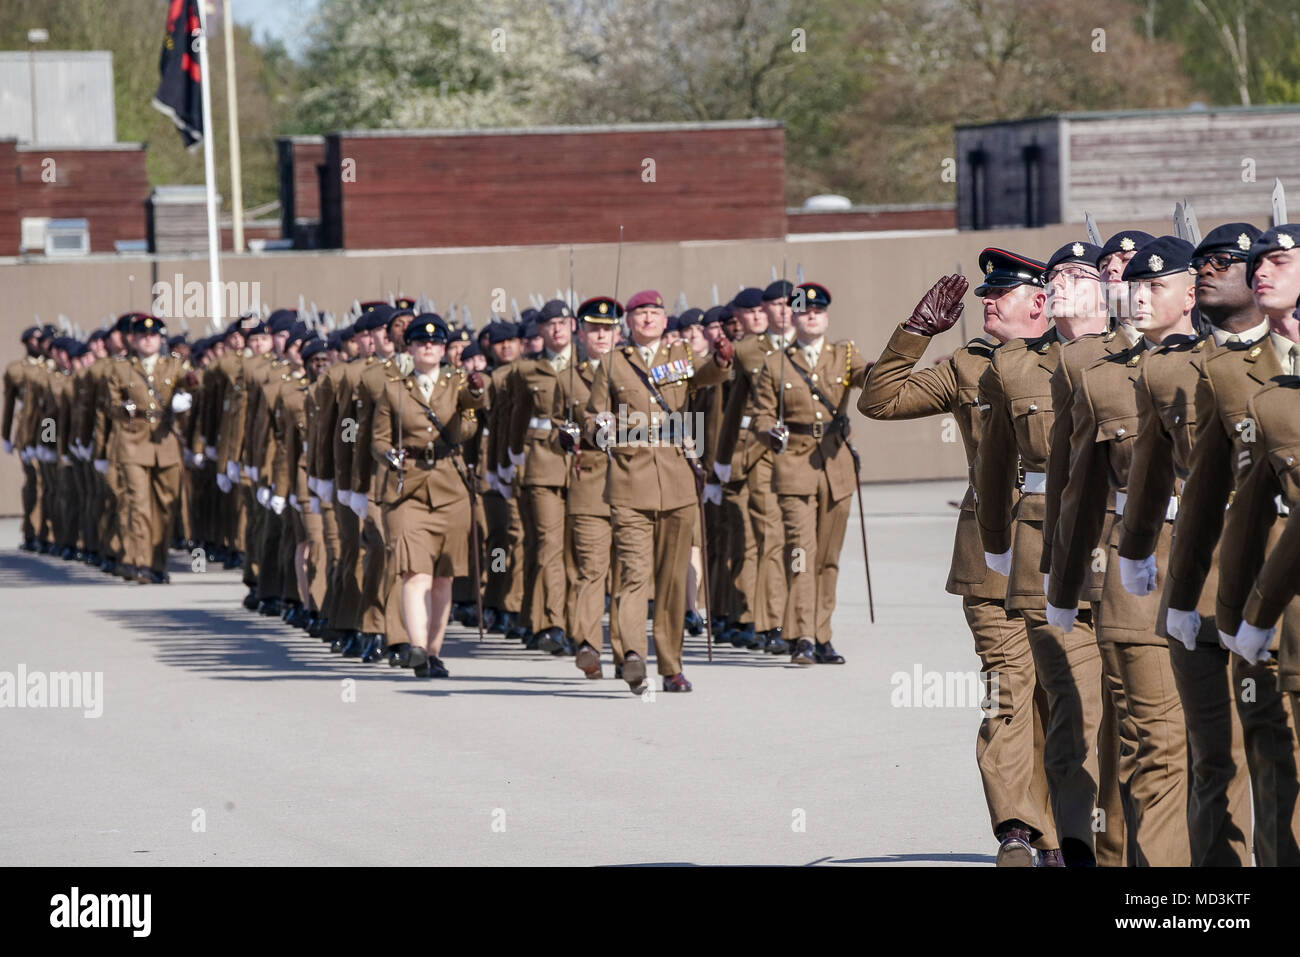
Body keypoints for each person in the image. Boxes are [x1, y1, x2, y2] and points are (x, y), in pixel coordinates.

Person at [860, 249, 1058, 866]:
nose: (987, 301)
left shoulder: (1078, 360)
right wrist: (915, 333)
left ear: (1040, 301)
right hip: (990, 562)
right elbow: (879, 401)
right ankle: (1018, 830)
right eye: (985, 293)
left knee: (1067, 697)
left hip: (1068, 558)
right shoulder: (969, 366)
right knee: (1009, 688)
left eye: (1003, 292)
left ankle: (1065, 831)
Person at [1117, 222, 1269, 866]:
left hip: (1280, 577)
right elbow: (1156, 481)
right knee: (1215, 757)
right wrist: (1137, 560)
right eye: (1200, 261)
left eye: (1224, 261)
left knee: (1279, 753)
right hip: (1203, 588)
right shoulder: (1173, 371)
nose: (1208, 269)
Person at [1047, 236, 1200, 866]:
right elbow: (1076, 485)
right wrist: (1061, 584)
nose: (1135, 293)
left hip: (1227, 574)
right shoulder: (1096, 374)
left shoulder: (1224, 365)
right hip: (1137, 580)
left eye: (1151, 283)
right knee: (1152, 741)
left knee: (1221, 745)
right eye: (1126, 281)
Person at [1165, 222, 1300, 864]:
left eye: (1229, 261)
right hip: (1246, 583)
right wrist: (1187, 593)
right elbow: (1212, 496)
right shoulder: (1216, 371)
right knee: (1242, 749)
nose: (1209, 271)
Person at [975, 241, 1111, 867]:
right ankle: (1060, 839)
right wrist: (999, 549)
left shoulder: (1137, 357)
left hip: (1124, 555)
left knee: (1129, 712)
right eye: (1057, 277)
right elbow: (998, 462)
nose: (1064, 287)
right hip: (1041, 554)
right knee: (1065, 706)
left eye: (1080, 277)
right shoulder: (1010, 368)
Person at [584, 289, 733, 694]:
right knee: (634, 575)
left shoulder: (679, 356)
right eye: (640, 313)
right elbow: (591, 414)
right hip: (631, 480)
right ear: (628, 322)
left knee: (670, 580)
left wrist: (721, 359)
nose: (648, 319)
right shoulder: (613, 363)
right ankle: (633, 656)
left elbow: (706, 376)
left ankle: (670, 666)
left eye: (654, 312)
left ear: (665, 320)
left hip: (678, 480)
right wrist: (598, 427)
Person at [753, 281, 871, 668]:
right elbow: (761, 415)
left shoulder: (844, 355)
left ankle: (822, 635)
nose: (812, 317)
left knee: (829, 557)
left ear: (826, 316)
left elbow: (871, 378)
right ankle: (802, 635)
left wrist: (903, 358)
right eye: (805, 312)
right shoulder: (776, 364)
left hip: (835, 464)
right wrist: (769, 431)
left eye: (818, 311)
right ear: (794, 317)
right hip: (796, 465)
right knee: (802, 552)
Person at [371, 315, 486, 677]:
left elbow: (472, 408)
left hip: (450, 487)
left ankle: (434, 652)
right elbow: (377, 438)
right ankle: (418, 648)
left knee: (443, 577)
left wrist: (478, 390)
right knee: (413, 572)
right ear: (410, 348)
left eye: (435, 343)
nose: (428, 347)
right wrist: (389, 456)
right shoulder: (394, 389)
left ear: (444, 349)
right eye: (421, 342)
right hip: (409, 489)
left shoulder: (457, 383)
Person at [94, 314, 192, 584]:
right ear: (133, 340)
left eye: (153, 336)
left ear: (161, 339)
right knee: (138, 506)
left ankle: (158, 563)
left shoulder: (173, 365)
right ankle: (141, 563)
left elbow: (194, 382)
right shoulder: (121, 368)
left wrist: (186, 396)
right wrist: (123, 409)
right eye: (142, 336)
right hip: (133, 441)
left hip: (165, 442)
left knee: (165, 507)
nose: (148, 340)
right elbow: (110, 405)